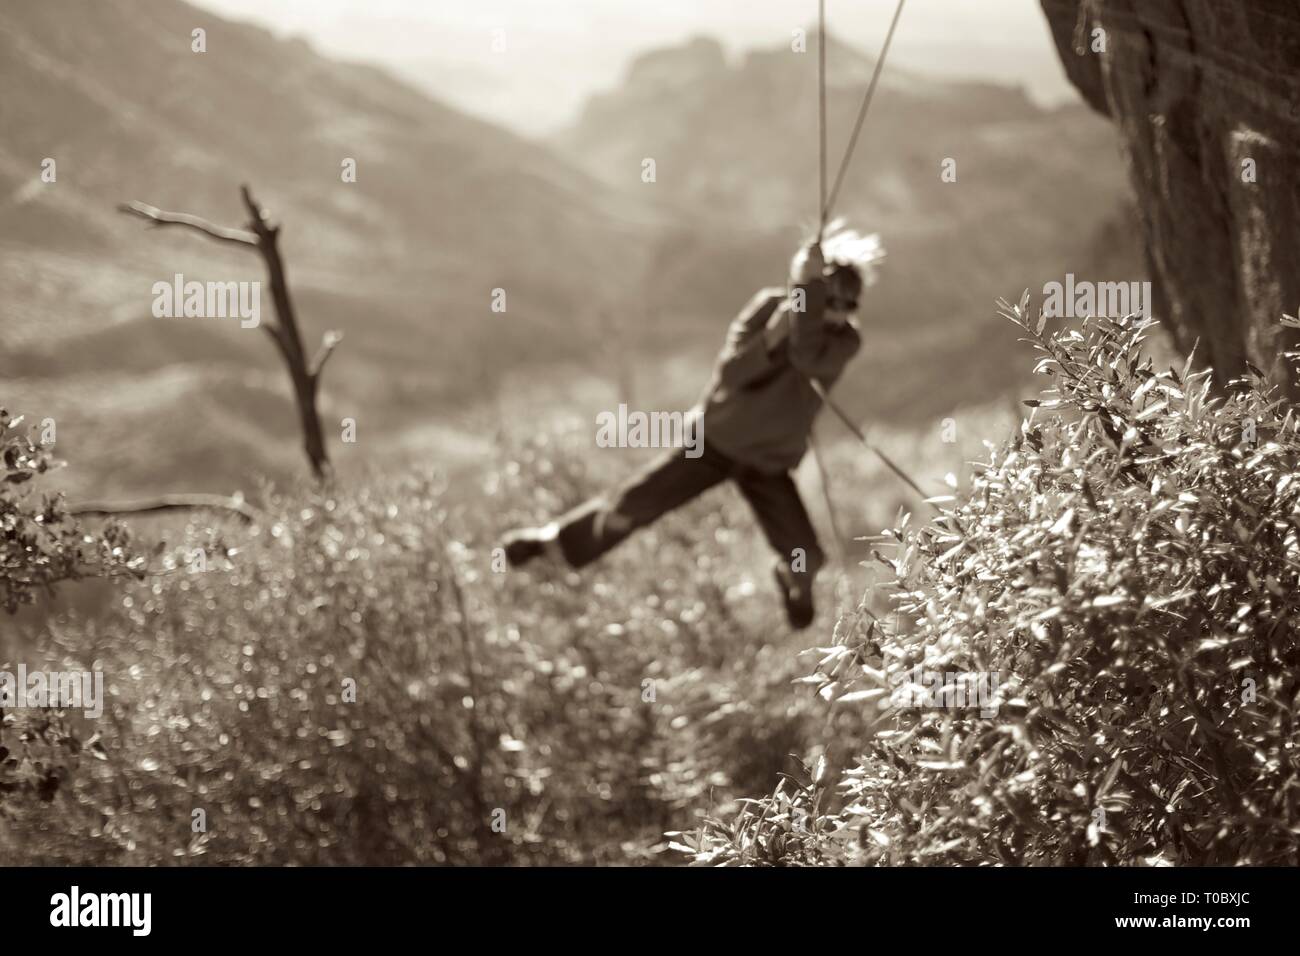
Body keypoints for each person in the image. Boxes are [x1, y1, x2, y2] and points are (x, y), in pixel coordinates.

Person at [500, 225, 882, 628]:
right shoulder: (769, 307)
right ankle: (551, 541)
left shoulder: (845, 342)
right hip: (714, 441)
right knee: (632, 505)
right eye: (831, 298)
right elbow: (732, 372)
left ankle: (792, 579)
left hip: (768, 461)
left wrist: (806, 290)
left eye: (848, 304)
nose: (838, 312)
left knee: (806, 554)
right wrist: (780, 326)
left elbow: (806, 357)